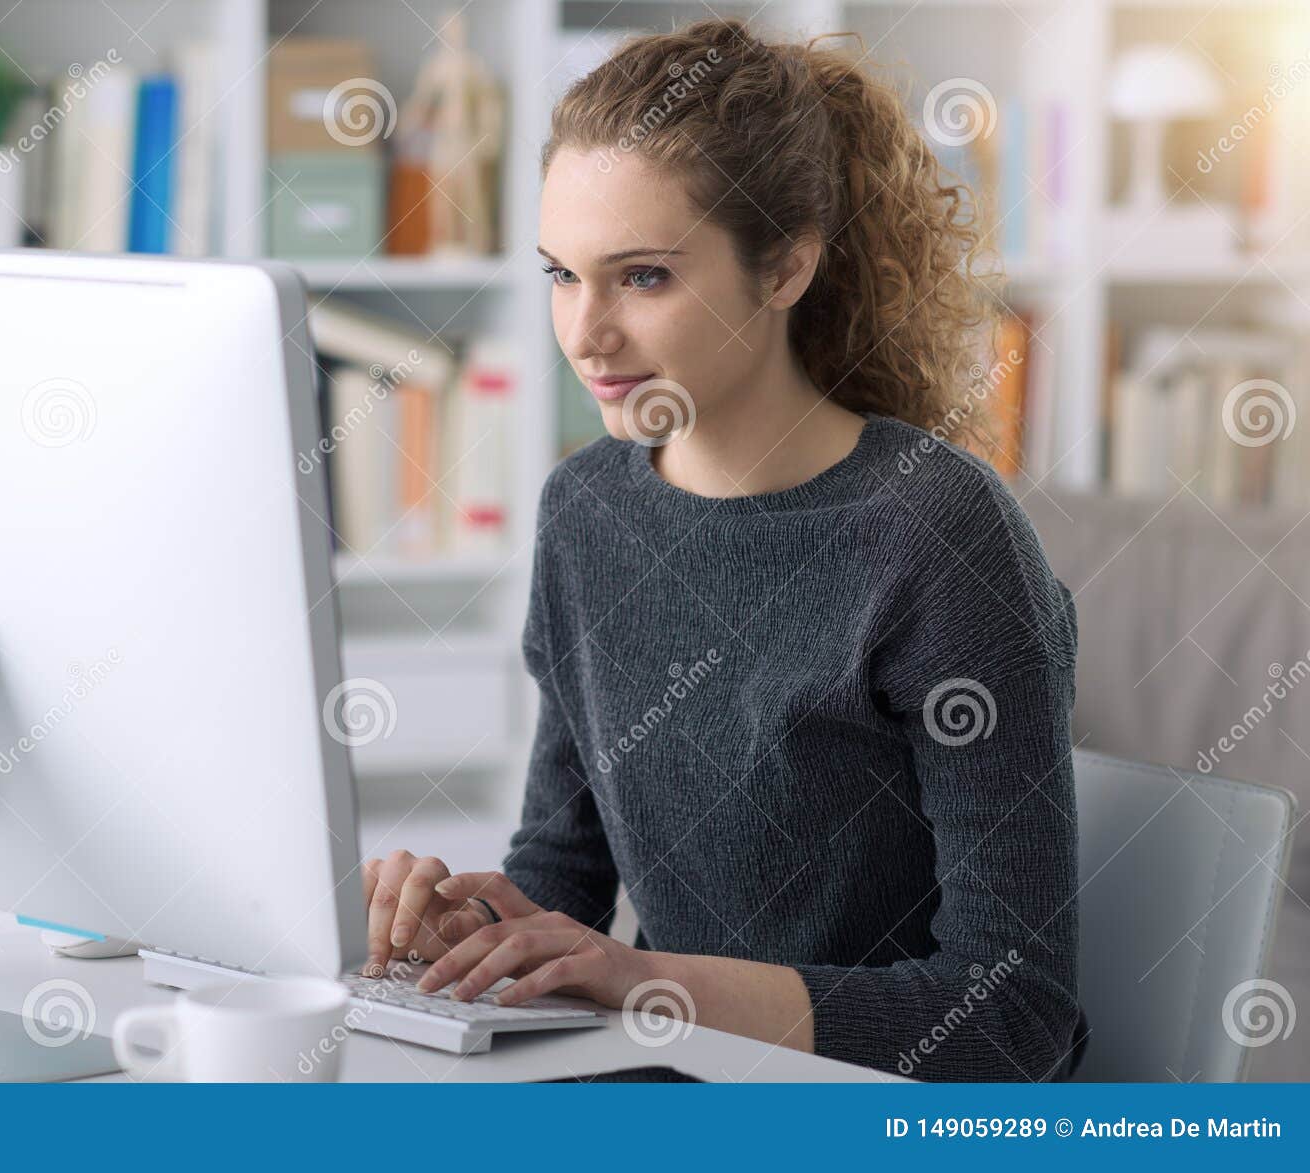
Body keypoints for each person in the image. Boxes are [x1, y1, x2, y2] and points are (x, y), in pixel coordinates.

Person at [359, 16, 1088, 1083]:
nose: (583, 333)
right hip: (673, 1079)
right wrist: (475, 934)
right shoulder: (587, 511)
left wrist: (642, 982)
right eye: (562, 274)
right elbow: (560, 875)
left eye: (641, 277)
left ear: (786, 264)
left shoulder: (935, 535)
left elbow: (1011, 1019)